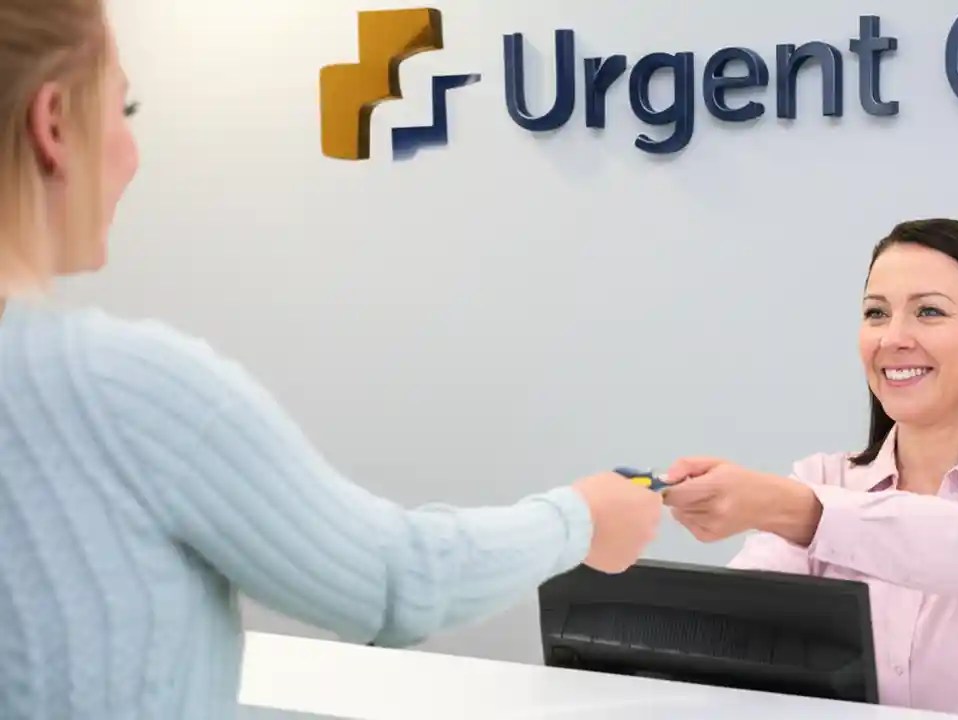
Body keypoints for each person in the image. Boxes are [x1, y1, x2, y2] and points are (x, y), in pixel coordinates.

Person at [0, 2, 664, 718]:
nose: (134, 152)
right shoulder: (120, 391)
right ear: (54, 123)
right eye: (123, 108)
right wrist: (580, 519)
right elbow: (393, 580)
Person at [661, 218, 958, 720]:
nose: (894, 338)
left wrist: (792, 510)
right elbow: (734, 640)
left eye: (929, 312)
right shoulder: (822, 478)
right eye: (876, 313)